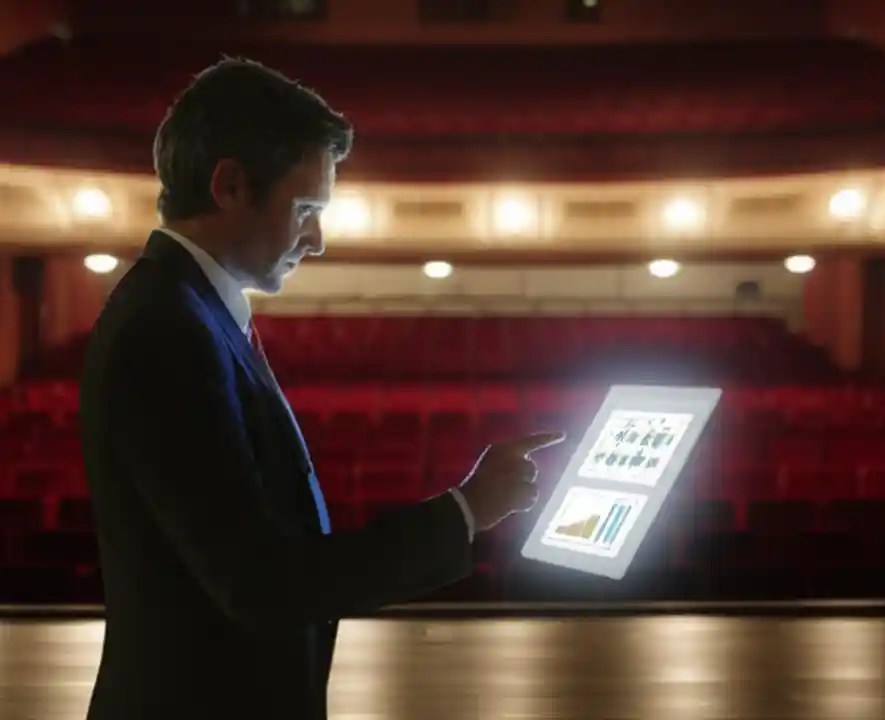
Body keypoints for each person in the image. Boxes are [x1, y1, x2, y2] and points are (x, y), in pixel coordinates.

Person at [78, 57, 565, 719]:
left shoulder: (186, 311)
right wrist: (468, 510)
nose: (318, 239)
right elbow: (262, 584)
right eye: (305, 207)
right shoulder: (166, 331)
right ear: (229, 186)